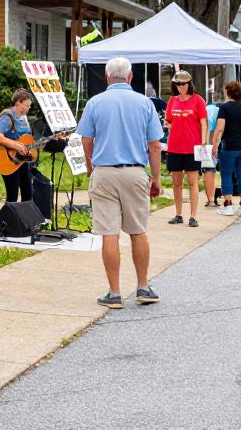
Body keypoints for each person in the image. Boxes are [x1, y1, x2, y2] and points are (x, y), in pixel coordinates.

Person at [77, 56, 163, 309]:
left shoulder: (95, 103)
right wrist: (156, 178)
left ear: (106, 77)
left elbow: (86, 140)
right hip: (135, 171)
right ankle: (143, 286)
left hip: (104, 171)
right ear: (130, 77)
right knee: (138, 230)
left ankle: (114, 293)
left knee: (109, 233)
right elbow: (155, 145)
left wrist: (91, 167)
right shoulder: (144, 103)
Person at [165, 70, 208, 227]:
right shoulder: (172, 101)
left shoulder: (198, 101)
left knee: (192, 181)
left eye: (183, 84)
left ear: (189, 84)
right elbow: (168, 120)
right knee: (176, 182)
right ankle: (178, 214)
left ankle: (193, 215)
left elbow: (203, 122)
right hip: (175, 147)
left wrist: (203, 142)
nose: (180, 87)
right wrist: (169, 125)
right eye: (177, 84)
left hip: (192, 147)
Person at [210, 81, 241, 216]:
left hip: (229, 147)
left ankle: (228, 205)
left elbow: (220, 128)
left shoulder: (224, 108)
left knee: (227, 174)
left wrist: (214, 144)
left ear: (228, 92)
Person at [0, 88, 36, 203]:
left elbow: (26, 139)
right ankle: (5, 221)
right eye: (26, 105)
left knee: (28, 194)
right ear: (18, 103)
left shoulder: (24, 118)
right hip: (8, 159)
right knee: (13, 196)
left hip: (22, 160)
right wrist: (15, 145)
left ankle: (25, 220)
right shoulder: (8, 117)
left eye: (29, 106)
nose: (28, 108)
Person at [203, 94, 221, 208]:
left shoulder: (206, 109)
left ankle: (209, 198)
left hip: (201, 143)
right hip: (209, 144)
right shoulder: (217, 111)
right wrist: (214, 146)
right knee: (210, 171)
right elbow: (215, 131)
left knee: (206, 171)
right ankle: (211, 200)